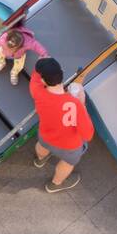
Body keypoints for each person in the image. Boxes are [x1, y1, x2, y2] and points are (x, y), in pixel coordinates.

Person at [29, 57, 94, 193]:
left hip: (46, 135)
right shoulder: (75, 105)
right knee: (67, 163)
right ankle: (55, 184)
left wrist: (43, 62)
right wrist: (82, 103)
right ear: (62, 72)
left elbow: (35, 75)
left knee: (42, 146)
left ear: (43, 80)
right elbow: (88, 135)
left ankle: (40, 160)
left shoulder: (37, 91)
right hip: (69, 146)